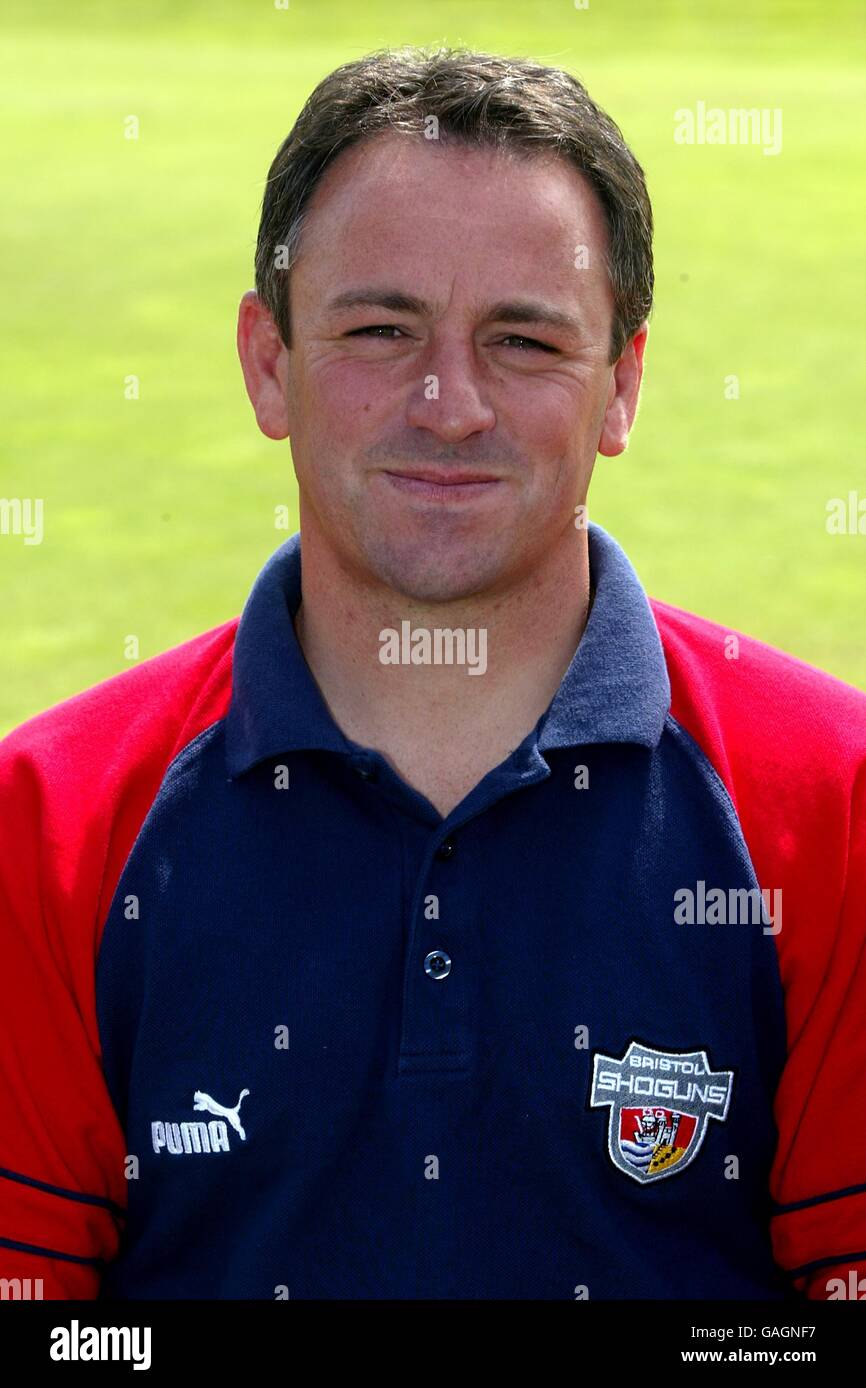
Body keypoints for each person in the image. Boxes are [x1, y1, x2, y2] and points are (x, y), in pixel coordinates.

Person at [1, 46, 864, 1302]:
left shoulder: (828, 802)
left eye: (521, 341)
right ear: (266, 361)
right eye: (379, 327)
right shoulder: (49, 820)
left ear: (620, 385)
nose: (446, 402)